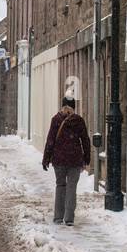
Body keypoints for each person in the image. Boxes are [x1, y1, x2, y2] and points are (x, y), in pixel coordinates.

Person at [42, 97, 91, 226]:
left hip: (59, 159)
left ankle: (58, 216)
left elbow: (50, 140)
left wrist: (46, 158)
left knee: (60, 186)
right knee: (71, 187)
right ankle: (69, 218)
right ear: (74, 107)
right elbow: (85, 140)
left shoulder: (56, 119)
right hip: (75, 159)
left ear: (62, 105)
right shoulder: (78, 120)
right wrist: (87, 157)